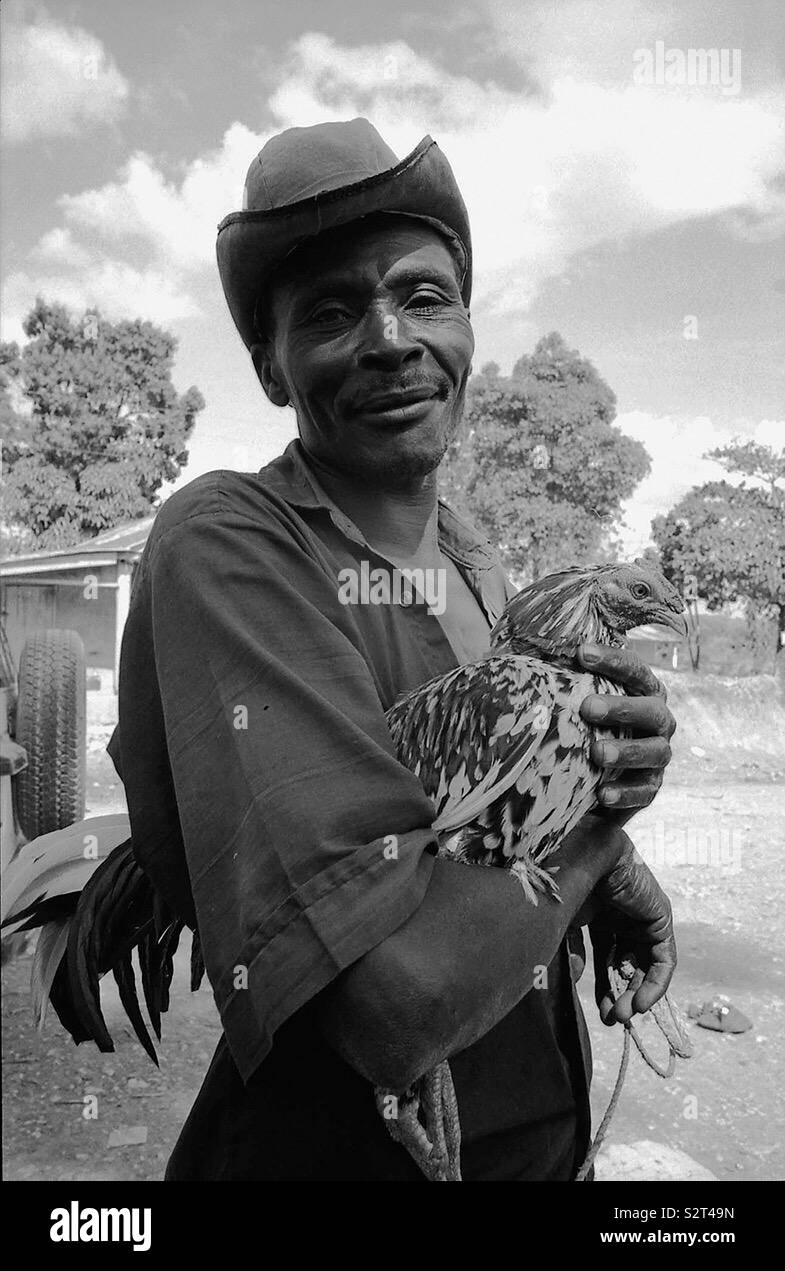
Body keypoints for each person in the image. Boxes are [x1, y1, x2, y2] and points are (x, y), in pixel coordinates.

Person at [107, 119, 678, 1181]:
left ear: (464, 331)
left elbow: (493, 819)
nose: (388, 338)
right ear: (271, 370)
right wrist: (602, 821)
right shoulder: (228, 541)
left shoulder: (479, 558)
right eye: (329, 311)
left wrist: (618, 874)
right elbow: (396, 1003)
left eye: (423, 296)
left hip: (536, 1136)